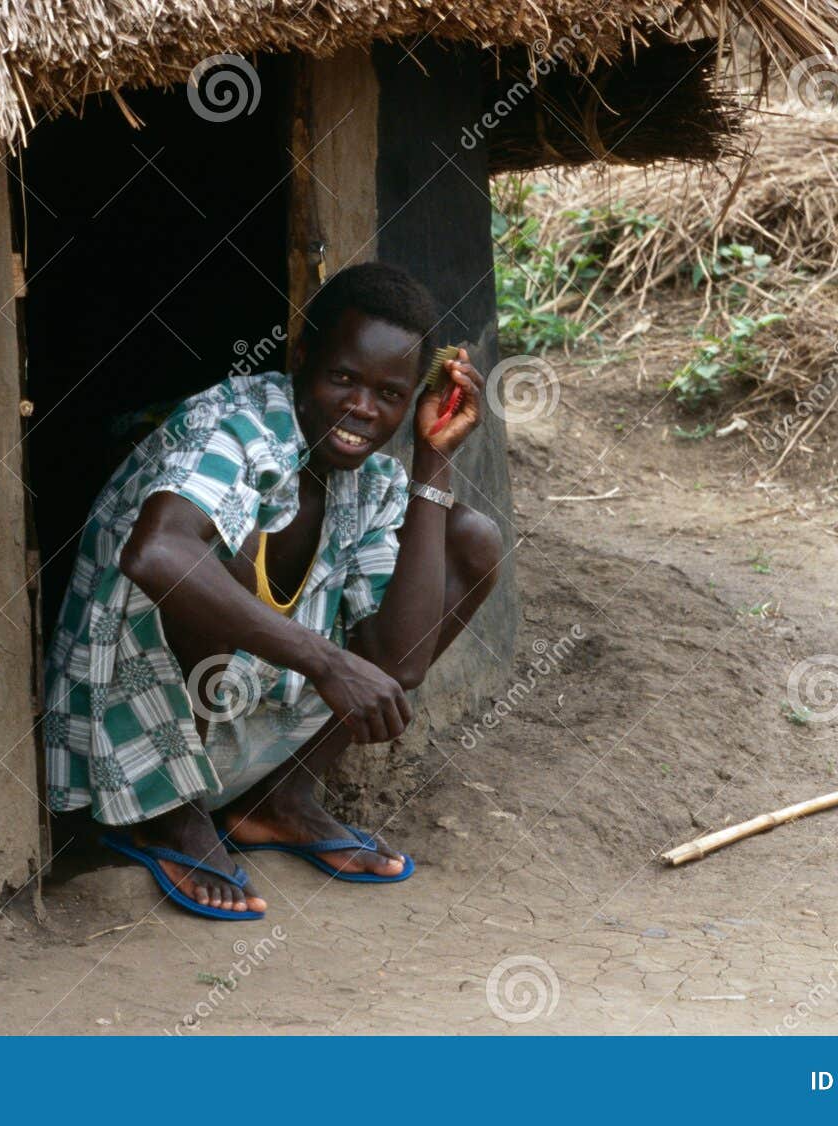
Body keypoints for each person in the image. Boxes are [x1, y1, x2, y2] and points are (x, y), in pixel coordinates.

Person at [43, 262, 502, 919]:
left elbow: (400, 660)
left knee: (476, 539)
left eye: (389, 394)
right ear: (302, 356)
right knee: (212, 561)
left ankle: (277, 801)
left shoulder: (368, 478)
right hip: (134, 730)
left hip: (242, 715)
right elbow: (157, 553)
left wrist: (433, 461)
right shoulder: (236, 429)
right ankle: (169, 817)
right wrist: (326, 661)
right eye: (343, 377)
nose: (362, 409)